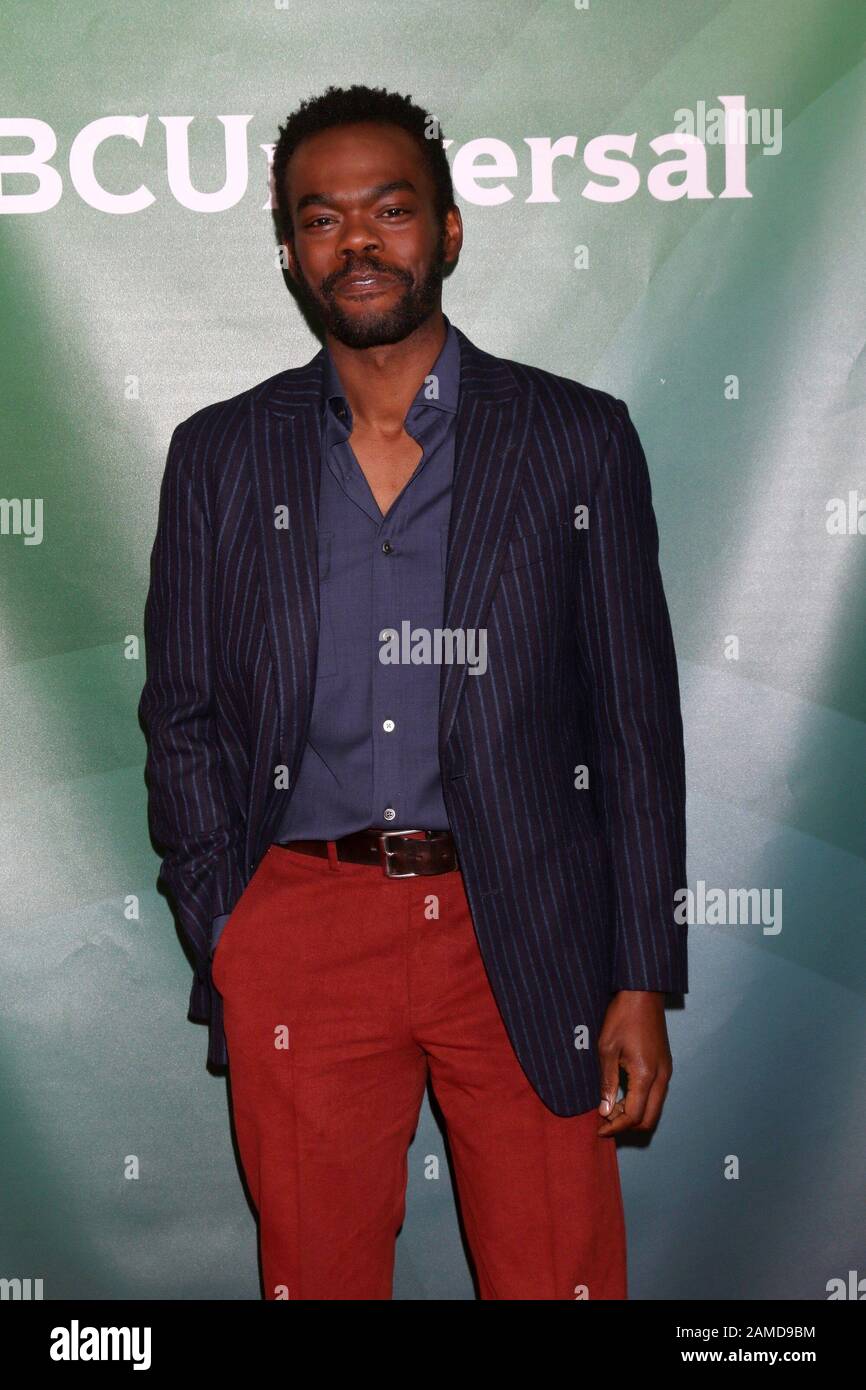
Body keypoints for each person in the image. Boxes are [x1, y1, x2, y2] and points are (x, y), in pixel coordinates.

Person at [138, 83, 688, 1301]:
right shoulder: (220, 456)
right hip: (299, 927)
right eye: (321, 218)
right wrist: (234, 932)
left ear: (445, 228)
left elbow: (633, 727)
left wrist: (639, 972)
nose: (358, 242)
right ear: (288, 250)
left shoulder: (574, 439)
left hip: (526, 927)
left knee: (559, 1276)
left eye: (389, 209)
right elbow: (178, 714)